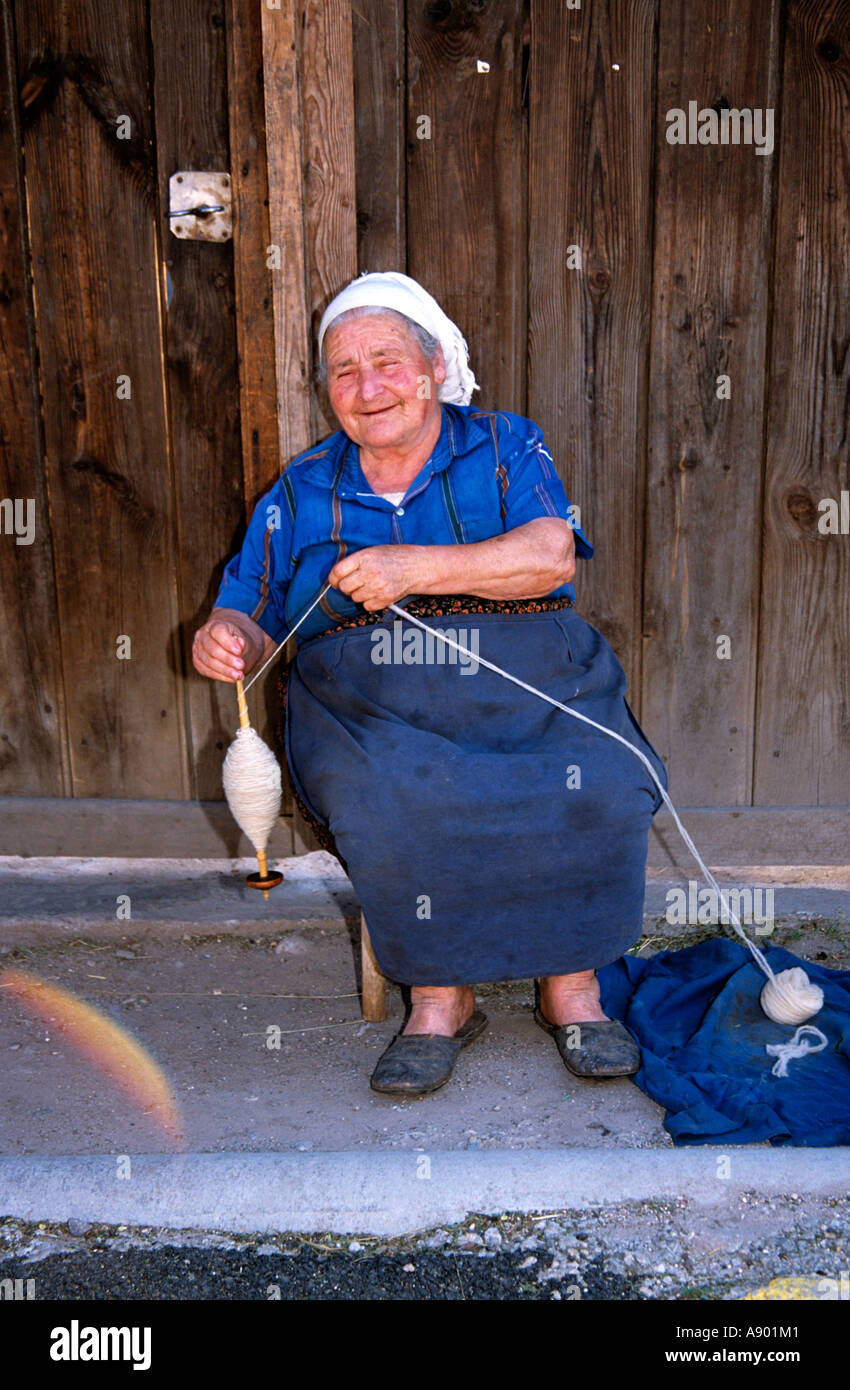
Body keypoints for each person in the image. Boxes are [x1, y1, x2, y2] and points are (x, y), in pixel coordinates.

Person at [192, 270, 668, 1097]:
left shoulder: (505, 444)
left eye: (388, 360)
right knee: (396, 790)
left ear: (435, 365)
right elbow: (250, 609)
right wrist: (225, 638)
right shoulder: (302, 489)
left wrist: (417, 566)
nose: (367, 387)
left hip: (531, 676)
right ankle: (441, 1001)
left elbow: (553, 557)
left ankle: (573, 990)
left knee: (594, 779)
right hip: (366, 699)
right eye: (344, 369)